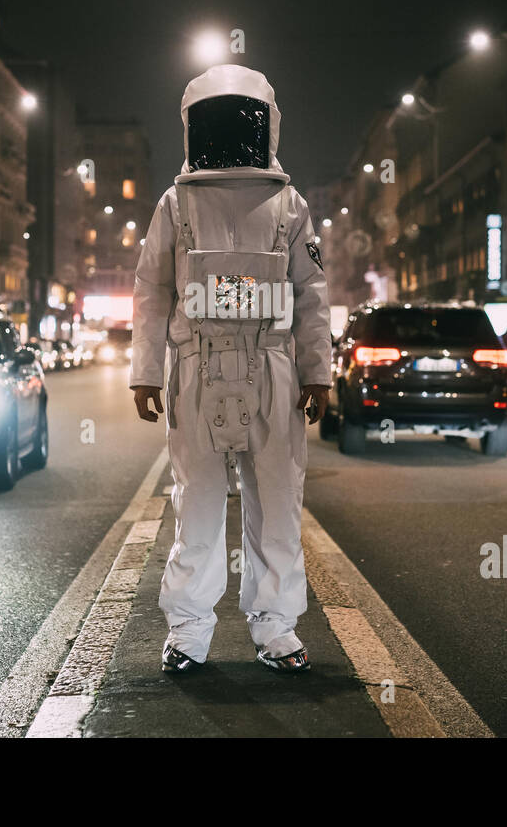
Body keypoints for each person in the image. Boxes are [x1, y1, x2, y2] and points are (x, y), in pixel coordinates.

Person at [131, 64, 331, 674]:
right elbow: (152, 288)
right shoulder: (180, 201)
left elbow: (310, 291)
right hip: (219, 365)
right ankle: (197, 631)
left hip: (252, 367)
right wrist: (144, 370)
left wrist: (317, 370)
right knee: (207, 504)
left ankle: (266, 628)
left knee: (269, 502)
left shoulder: (284, 203)